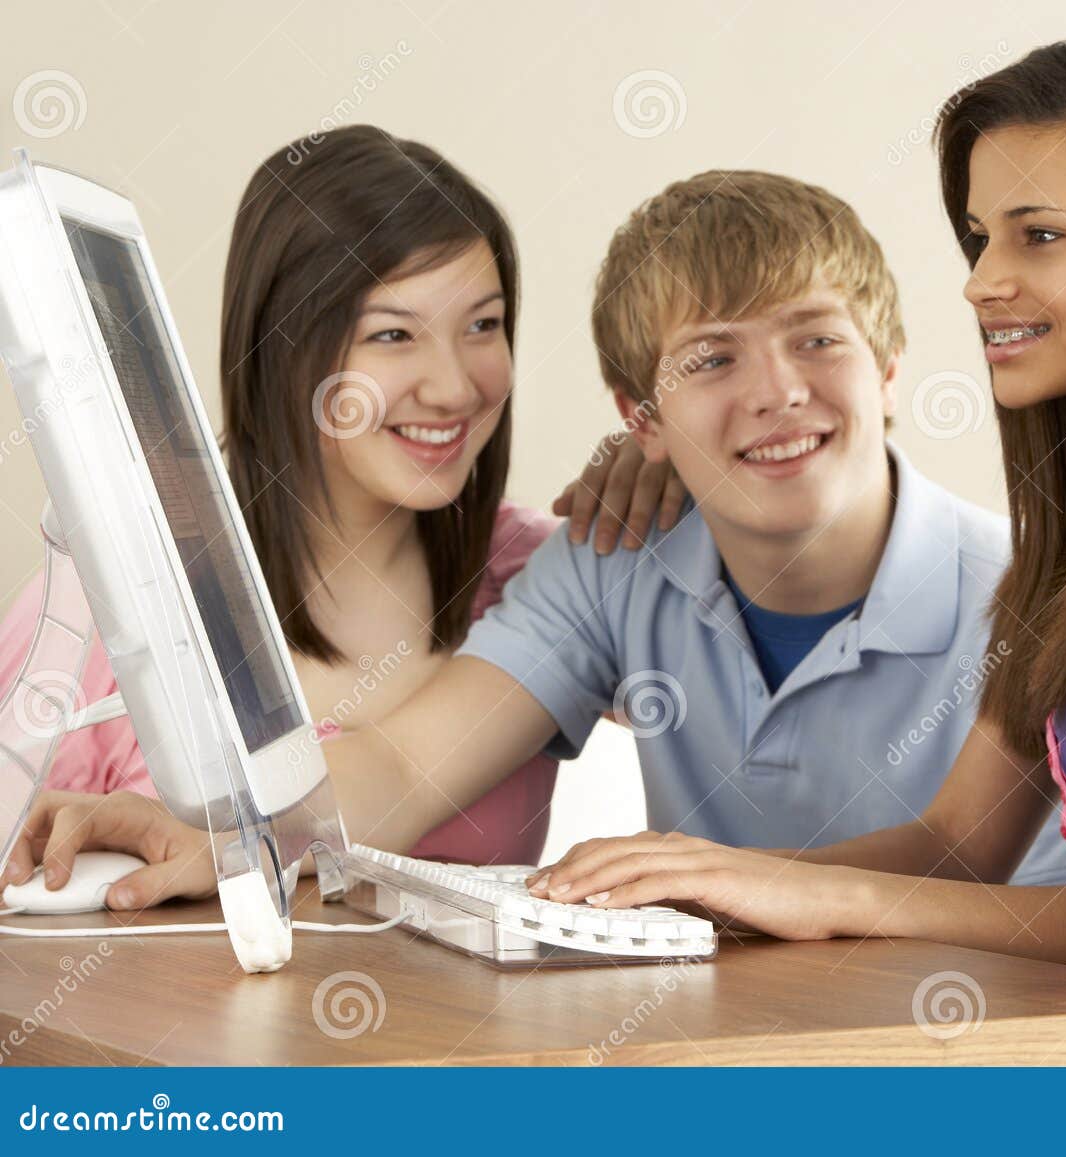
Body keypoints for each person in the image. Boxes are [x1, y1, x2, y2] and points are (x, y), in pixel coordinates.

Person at [7, 167, 1066, 906]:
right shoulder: (612, 568)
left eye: (817, 339)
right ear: (641, 421)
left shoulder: (1039, 583)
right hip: (761, 1052)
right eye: (713, 359)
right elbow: (401, 761)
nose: (778, 391)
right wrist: (228, 838)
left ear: (888, 367)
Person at [526, 33, 1066, 978]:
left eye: (1040, 234)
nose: (982, 280)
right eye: (981, 236)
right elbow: (957, 842)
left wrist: (829, 899)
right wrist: (715, 879)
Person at [0, 124, 662, 897]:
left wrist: (693, 463)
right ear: (285, 350)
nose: (453, 387)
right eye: (392, 334)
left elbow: (780, 671)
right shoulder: (109, 598)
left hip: (454, 1022)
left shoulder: (543, 572)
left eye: (483, 324)